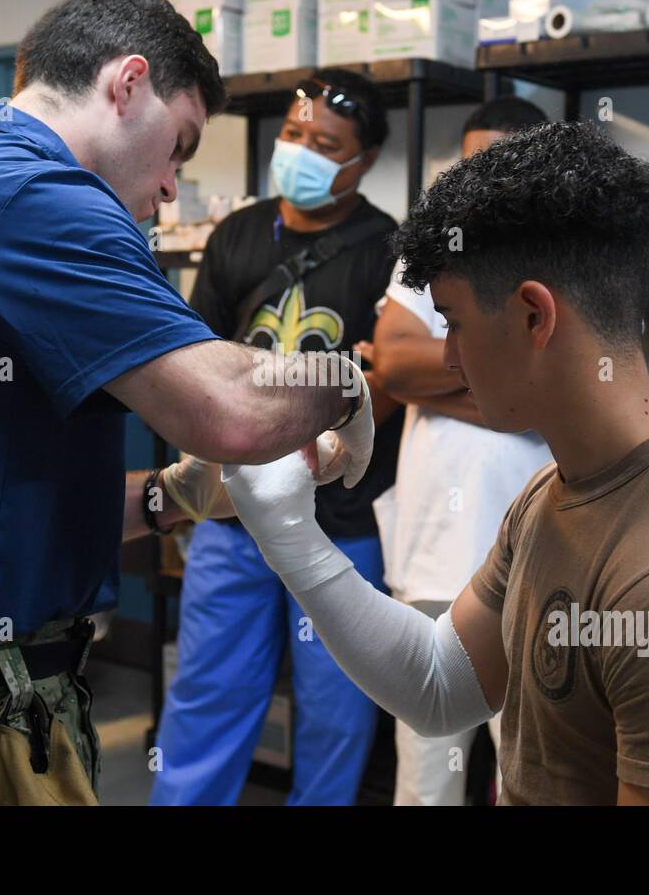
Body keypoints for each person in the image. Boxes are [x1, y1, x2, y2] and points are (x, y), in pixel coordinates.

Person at [0, 0, 373, 806]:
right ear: (127, 84)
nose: (172, 187)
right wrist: (348, 382)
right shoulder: (38, 199)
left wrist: (174, 496)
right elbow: (232, 409)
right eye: (179, 146)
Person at [220, 121, 649, 805]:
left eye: (456, 324)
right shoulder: (552, 495)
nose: (448, 359)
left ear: (535, 316)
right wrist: (291, 535)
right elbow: (440, 684)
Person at [150, 69, 401, 806]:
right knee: (206, 695)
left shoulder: (389, 247)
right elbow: (195, 360)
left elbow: (392, 376)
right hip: (233, 515)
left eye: (326, 143)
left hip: (340, 525)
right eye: (294, 135)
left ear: (365, 160)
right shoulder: (237, 234)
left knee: (337, 710)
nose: (302, 151)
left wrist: (322, 448)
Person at [364, 95, 554, 805]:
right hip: (433, 559)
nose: (481, 183)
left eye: (501, 167)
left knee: (532, 777)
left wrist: (433, 380)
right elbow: (393, 363)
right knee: (425, 780)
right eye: (471, 166)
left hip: (540, 562)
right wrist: (508, 381)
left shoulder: (570, 258)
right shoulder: (432, 247)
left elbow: (565, 390)